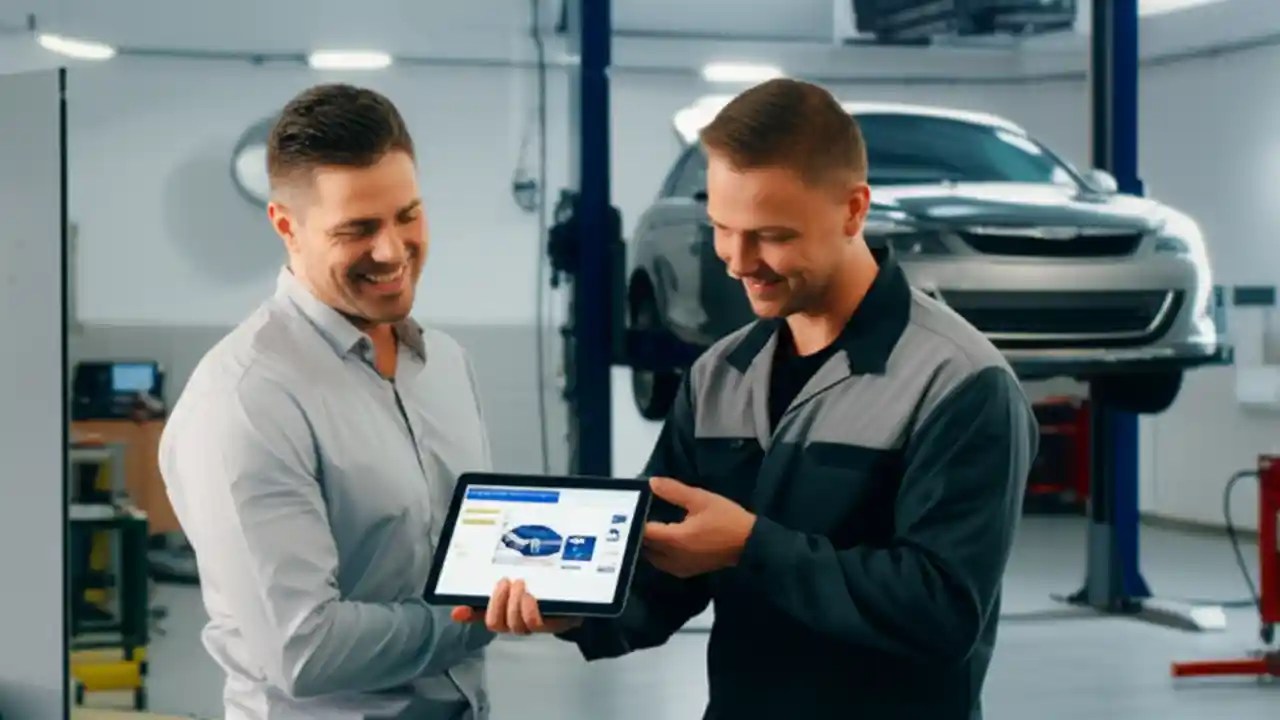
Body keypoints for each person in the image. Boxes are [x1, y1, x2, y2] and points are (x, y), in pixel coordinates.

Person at [454, 78, 1039, 719]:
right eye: (722, 228)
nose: (737, 260)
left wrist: (750, 546)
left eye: (772, 235)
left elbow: (941, 612)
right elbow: (662, 569)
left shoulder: (957, 381)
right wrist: (573, 610)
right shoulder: (719, 376)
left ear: (853, 210)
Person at [159, 84, 496, 720]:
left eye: (407, 215)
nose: (392, 251)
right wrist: (477, 620)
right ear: (286, 227)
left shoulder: (447, 364)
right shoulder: (246, 400)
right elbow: (303, 650)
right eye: (357, 229)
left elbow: (464, 551)